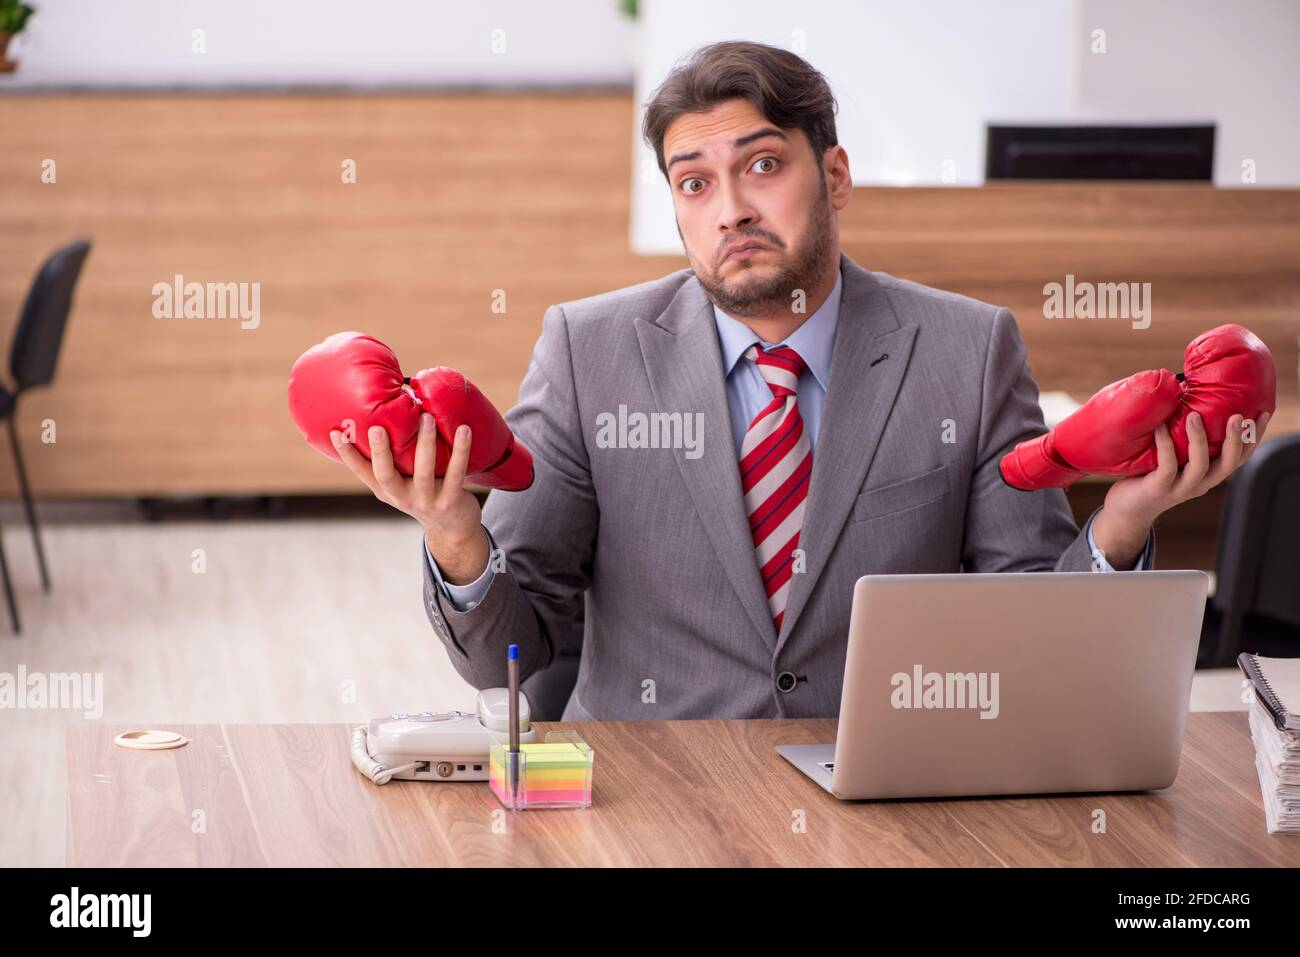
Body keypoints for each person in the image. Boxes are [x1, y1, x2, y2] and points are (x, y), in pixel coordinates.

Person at [331, 40, 1268, 720]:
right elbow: (511, 655)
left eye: (763, 166)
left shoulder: (968, 349)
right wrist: (457, 536)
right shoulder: (589, 350)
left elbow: (1031, 630)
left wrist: (1125, 519)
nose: (730, 208)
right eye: (693, 183)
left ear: (835, 176)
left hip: (893, 793)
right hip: (652, 802)